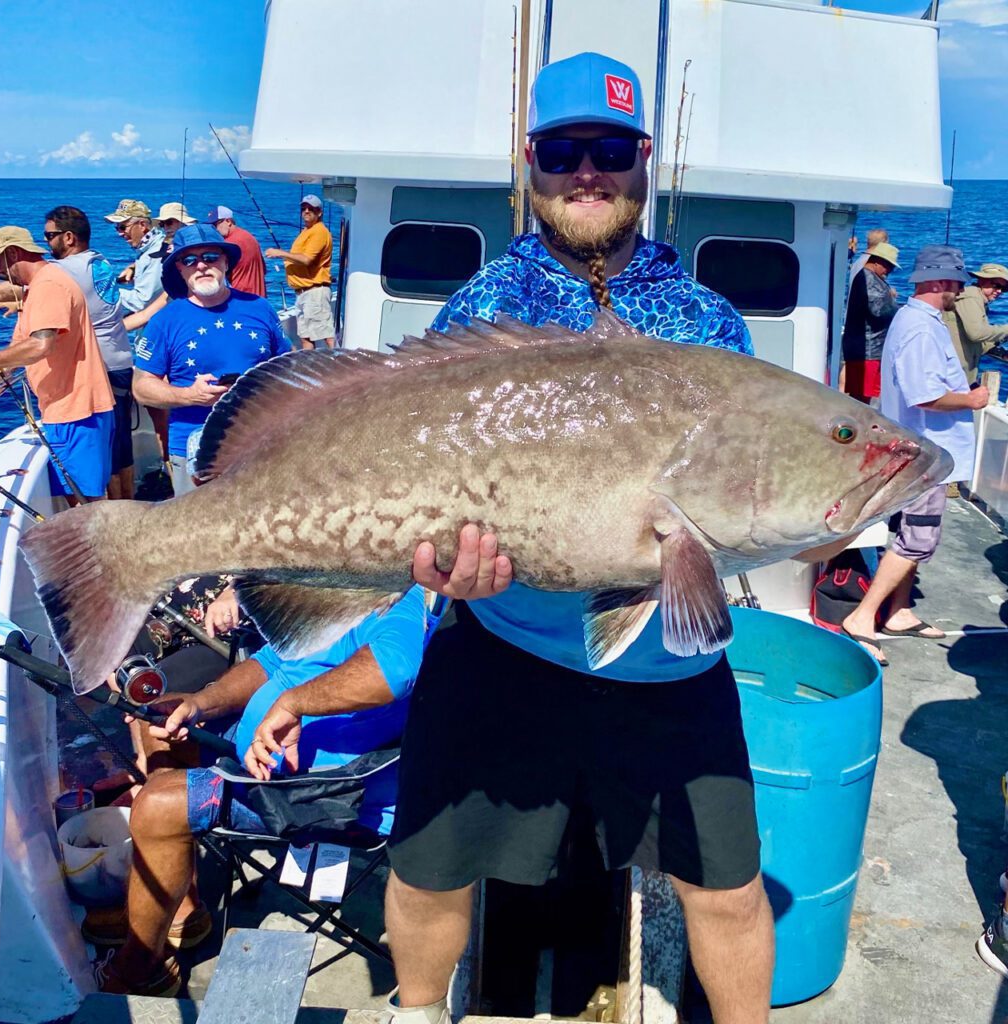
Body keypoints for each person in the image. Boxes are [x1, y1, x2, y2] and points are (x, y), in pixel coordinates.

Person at [384, 53, 775, 1024]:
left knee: (727, 886)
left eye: (609, 148)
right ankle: (417, 1009)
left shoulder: (707, 321)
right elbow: (421, 476)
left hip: (666, 666)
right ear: (532, 162)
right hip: (502, 642)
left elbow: (735, 495)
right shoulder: (479, 310)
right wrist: (439, 569)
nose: (587, 171)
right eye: (564, 152)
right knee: (430, 862)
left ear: (645, 158)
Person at [93, 585, 439, 997]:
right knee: (159, 722)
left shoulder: (405, 594)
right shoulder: (332, 588)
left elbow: (395, 668)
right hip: (257, 753)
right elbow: (269, 661)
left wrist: (293, 703)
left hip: (329, 792)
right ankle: (181, 911)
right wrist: (202, 702)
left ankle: (139, 970)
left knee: (158, 804)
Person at [841, 245, 986, 665]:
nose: (961, 291)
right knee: (918, 539)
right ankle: (863, 617)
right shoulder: (922, 329)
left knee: (910, 534)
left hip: (921, 453)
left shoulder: (913, 319)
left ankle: (899, 612)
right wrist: (973, 400)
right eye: (958, 283)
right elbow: (926, 395)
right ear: (940, 282)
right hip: (926, 456)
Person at [132, 223, 290, 497]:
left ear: (226, 262)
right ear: (179, 269)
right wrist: (189, 395)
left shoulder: (261, 308)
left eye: (211, 257)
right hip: (194, 449)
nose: (201, 266)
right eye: (190, 260)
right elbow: (141, 387)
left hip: (261, 440)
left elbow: (288, 367)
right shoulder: (164, 321)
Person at [0, 226, 114, 503]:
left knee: (90, 502)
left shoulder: (49, 286)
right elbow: (15, 358)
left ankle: (107, 548)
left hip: (78, 411)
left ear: (12, 253)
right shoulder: (36, 292)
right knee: (76, 499)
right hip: (63, 411)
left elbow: (41, 345)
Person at [42, 206, 137, 500]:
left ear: (68, 237)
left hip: (100, 370)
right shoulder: (99, 262)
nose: (46, 241)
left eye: (50, 236)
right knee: (122, 445)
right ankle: (130, 507)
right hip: (121, 361)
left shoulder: (63, 271)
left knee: (103, 451)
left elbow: (20, 287)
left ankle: (117, 519)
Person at [265, 195, 334, 349]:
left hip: (314, 292)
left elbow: (307, 259)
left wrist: (280, 253)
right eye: (304, 208)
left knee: (326, 336)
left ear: (320, 212)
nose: (306, 211)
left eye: (311, 208)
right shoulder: (307, 231)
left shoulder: (319, 232)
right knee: (306, 338)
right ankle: (308, 368)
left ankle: (340, 367)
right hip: (303, 293)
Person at [841, 241, 899, 404]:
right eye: (889, 266)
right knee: (863, 398)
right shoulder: (868, 279)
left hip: (865, 348)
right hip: (867, 350)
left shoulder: (868, 277)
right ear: (877, 261)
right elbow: (878, 310)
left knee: (862, 395)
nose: (890, 271)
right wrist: (898, 309)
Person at [943, 261, 1008, 383]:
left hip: (959, 376)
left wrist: (995, 345)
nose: (999, 291)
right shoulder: (971, 297)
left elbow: (971, 339)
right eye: (996, 285)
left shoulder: (978, 300)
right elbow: (976, 334)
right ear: (982, 280)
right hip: (953, 377)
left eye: (1004, 288)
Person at [105, 199, 167, 313]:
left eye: (123, 227)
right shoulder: (151, 248)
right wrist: (134, 267)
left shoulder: (156, 254)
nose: (120, 233)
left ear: (142, 225)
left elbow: (141, 303)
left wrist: (104, 290)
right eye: (117, 228)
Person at [207, 206, 267, 297]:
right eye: (211, 226)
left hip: (240, 297)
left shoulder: (229, 244)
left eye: (216, 225)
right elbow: (264, 269)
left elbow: (216, 273)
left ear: (228, 221)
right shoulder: (248, 236)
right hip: (258, 296)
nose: (214, 229)